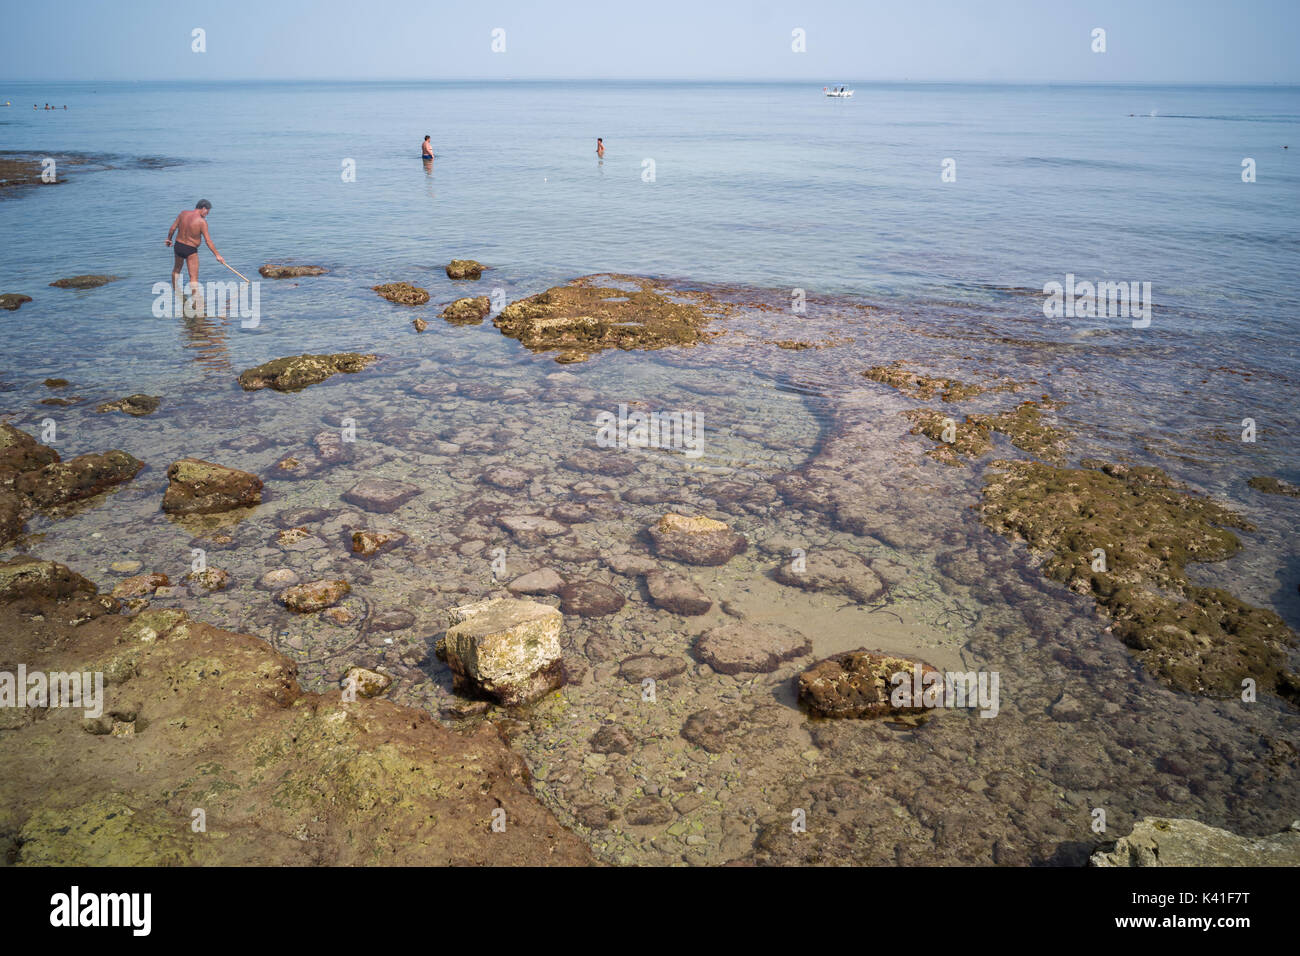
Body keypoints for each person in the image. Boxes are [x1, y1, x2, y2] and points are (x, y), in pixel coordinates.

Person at [165, 199, 225, 300]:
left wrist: (169, 239)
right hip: (190, 249)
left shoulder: (183, 214)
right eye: (208, 211)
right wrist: (217, 255)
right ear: (204, 208)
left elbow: (172, 228)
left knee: (176, 270)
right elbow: (208, 241)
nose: (207, 214)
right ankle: (196, 299)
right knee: (193, 277)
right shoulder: (202, 222)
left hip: (178, 246)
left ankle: (176, 292)